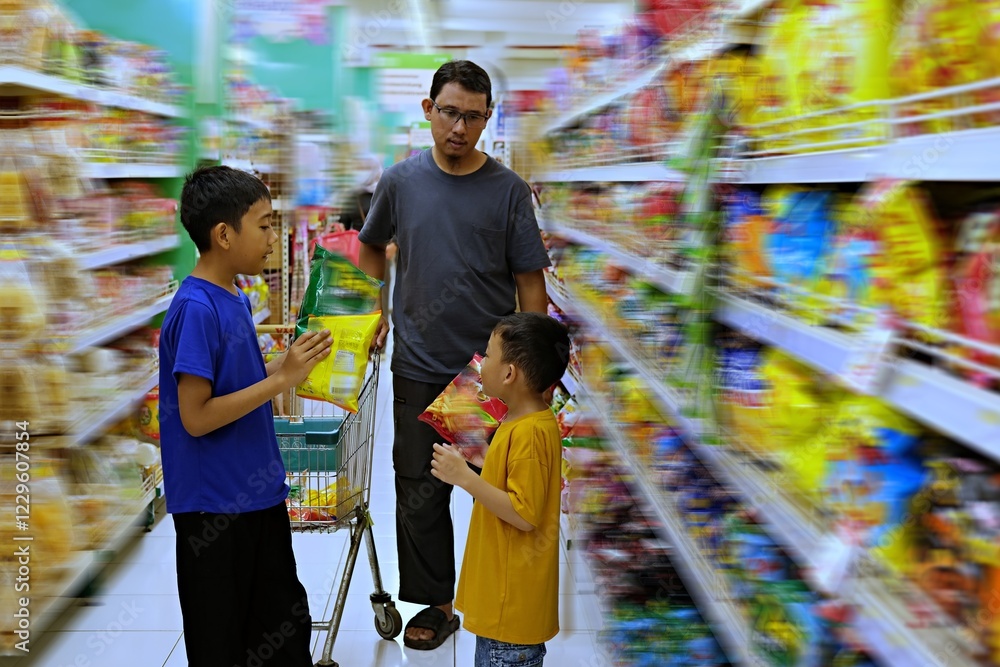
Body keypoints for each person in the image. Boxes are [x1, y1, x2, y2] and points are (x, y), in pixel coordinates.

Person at [357, 59, 551, 650]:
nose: (459, 128)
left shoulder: (510, 192)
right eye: (449, 113)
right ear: (428, 111)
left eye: (472, 116)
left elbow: (531, 286)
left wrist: (534, 376)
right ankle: (437, 604)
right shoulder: (399, 183)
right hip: (418, 360)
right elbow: (369, 251)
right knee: (420, 488)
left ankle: (503, 598)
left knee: (502, 490)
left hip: (487, 374)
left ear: (488, 118)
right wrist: (378, 309)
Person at [159, 166, 333, 667]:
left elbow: (238, 384)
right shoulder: (195, 308)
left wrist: (289, 364)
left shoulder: (232, 296)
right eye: (264, 225)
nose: (272, 237)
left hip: (256, 495)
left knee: (282, 623)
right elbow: (195, 416)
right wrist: (279, 381)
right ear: (223, 234)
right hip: (214, 508)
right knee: (222, 638)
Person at [430, 313, 569, 667]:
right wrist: (483, 459)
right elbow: (515, 477)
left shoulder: (530, 433)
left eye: (489, 355)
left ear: (509, 374)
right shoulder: (523, 419)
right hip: (505, 600)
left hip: (510, 610)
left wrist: (465, 478)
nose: (480, 362)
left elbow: (524, 514)